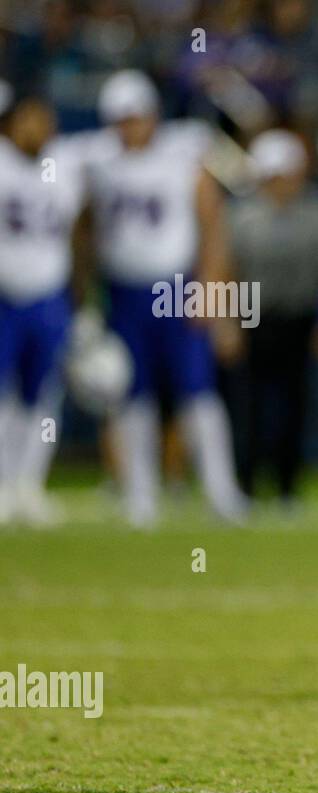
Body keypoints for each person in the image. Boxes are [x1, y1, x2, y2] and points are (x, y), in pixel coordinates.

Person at [81, 69, 247, 527]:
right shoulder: (98, 161)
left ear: (153, 116)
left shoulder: (183, 154)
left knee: (198, 390)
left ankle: (221, 491)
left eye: (135, 117)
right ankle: (141, 496)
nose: (129, 128)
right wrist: (87, 295)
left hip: (176, 288)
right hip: (124, 291)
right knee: (131, 395)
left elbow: (213, 223)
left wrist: (213, 288)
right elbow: (86, 229)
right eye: (120, 119)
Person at [228, 128, 318, 508]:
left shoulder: (317, 213)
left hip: (299, 318)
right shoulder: (242, 216)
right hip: (254, 318)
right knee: (250, 407)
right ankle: (246, 486)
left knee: (296, 406)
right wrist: (228, 324)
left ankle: (289, 487)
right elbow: (228, 270)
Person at [0, 87, 85, 525]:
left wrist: (84, 303)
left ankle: (27, 484)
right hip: (4, 296)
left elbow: (81, 230)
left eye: (43, 118)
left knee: (43, 396)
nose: (38, 128)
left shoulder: (66, 163)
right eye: (28, 119)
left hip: (50, 294)